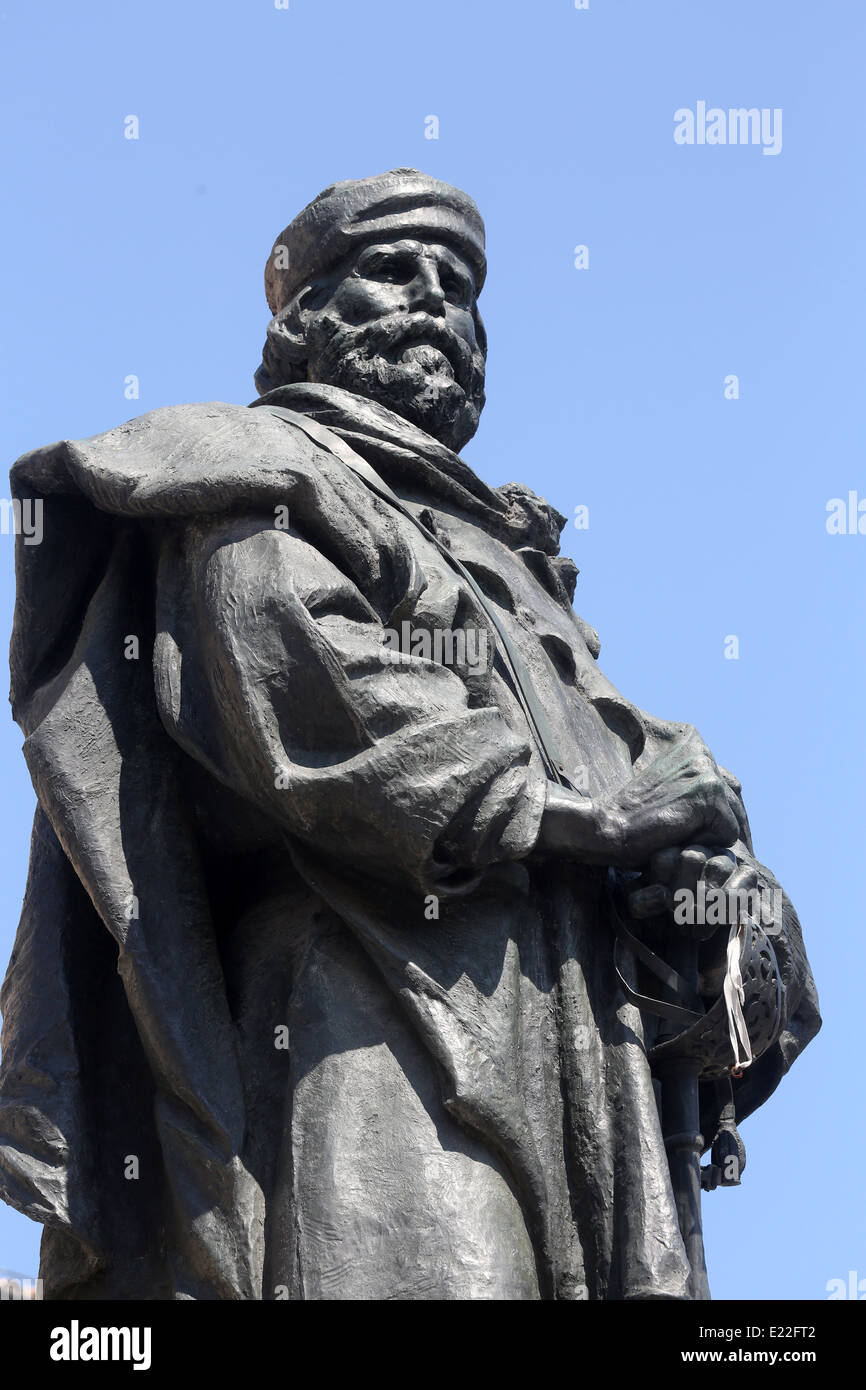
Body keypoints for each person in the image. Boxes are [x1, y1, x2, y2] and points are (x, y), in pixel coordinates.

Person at [0, 169, 819, 1300]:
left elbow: (653, 788)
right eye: (391, 270)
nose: (435, 298)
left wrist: (702, 892)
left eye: (460, 285)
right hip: (373, 1012)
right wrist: (582, 816)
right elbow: (295, 673)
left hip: (576, 1050)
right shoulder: (246, 467)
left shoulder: (516, 577)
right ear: (303, 317)